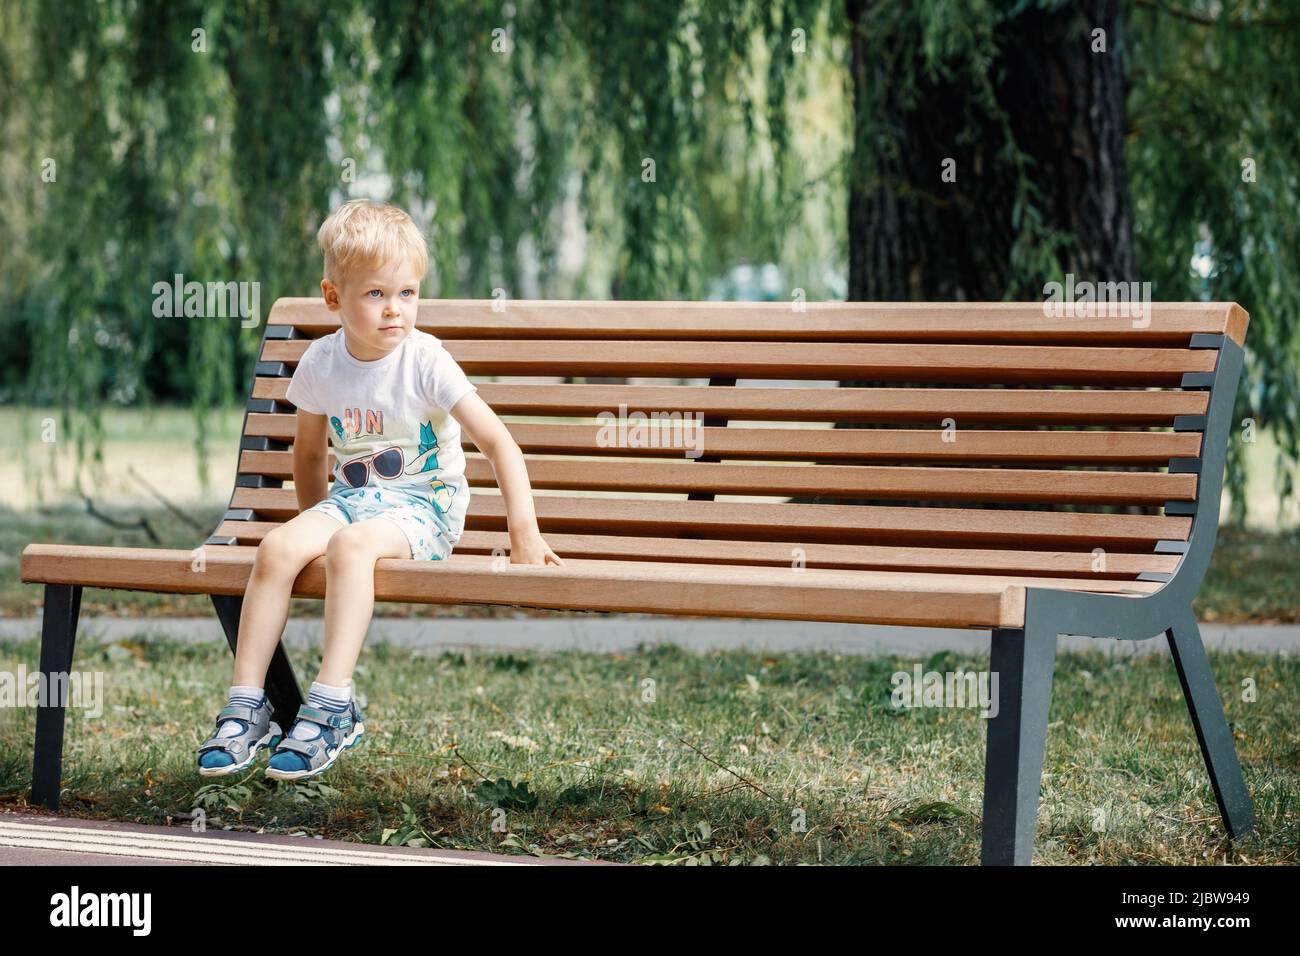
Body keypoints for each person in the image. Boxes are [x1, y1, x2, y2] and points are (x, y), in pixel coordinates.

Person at [196, 198, 563, 781]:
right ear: (334, 297)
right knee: (277, 549)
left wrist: (524, 535)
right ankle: (248, 706)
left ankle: (331, 705)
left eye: (408, 294)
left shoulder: (425, 362)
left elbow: (501, 445)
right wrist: (310, 523)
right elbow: (311, 454)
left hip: (426, 509)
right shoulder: (321, 362)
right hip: (353, 502)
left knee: (352, 546)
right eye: (376, 295)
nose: (395, 310)